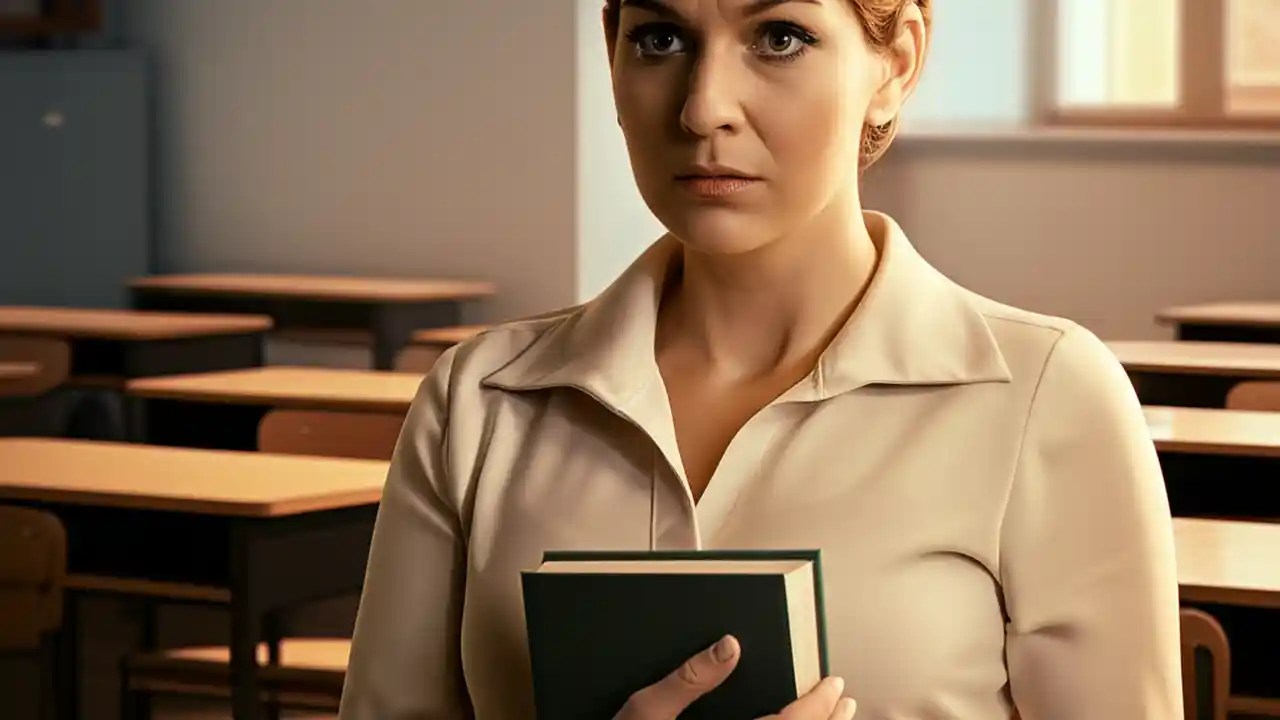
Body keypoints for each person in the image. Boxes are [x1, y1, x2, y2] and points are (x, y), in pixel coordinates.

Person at [339, 0, 1183, 717]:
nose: (704, 106)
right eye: (660, 38)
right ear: (612, 57)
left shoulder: (1047, 396)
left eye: (779, 36)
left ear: (895, 62)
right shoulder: (477, 403)